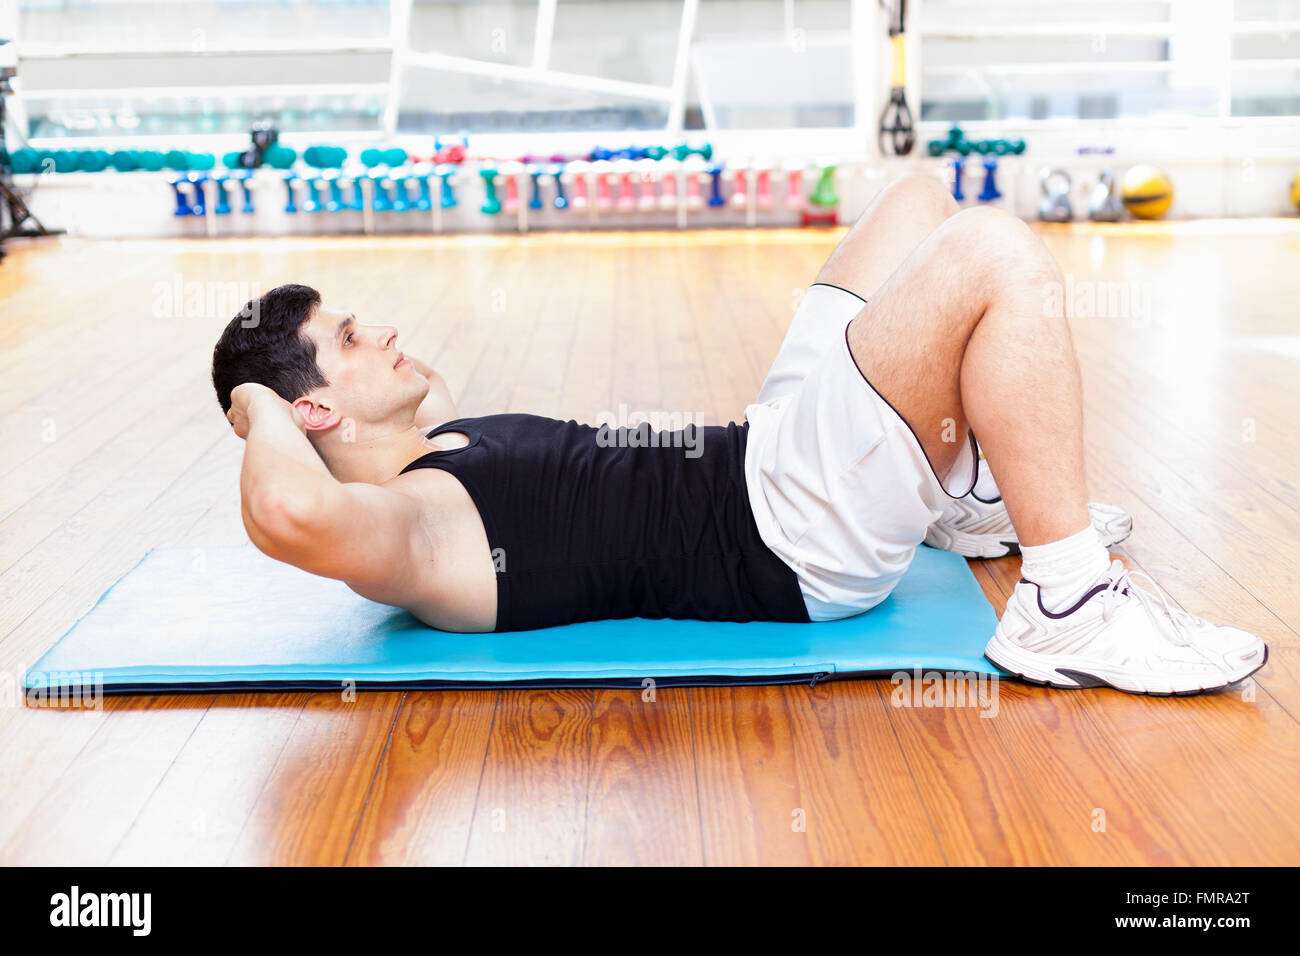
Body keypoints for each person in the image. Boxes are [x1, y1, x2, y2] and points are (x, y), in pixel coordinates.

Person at [211, 174, 1267, 696]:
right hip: (791, 530)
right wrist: (252, 404)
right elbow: (289, 507)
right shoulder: (404, 526)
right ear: (314, 408)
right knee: (989, 252)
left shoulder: (430, 456)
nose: (383, 329)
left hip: (768, 449)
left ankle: (953, 495)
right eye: (349, 337)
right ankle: (1068, 600)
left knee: (918, 201)